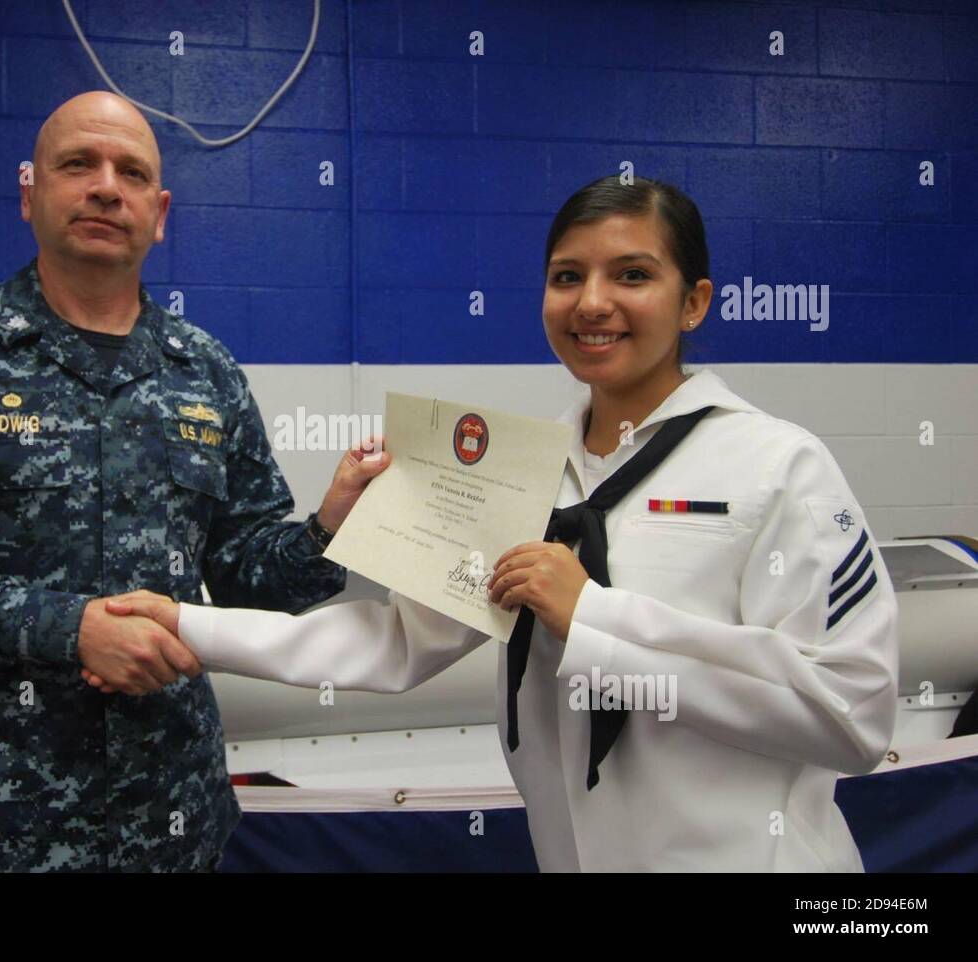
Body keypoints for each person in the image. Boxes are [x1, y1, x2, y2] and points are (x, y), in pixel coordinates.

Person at [88, 176, 900, 872]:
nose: (592, 303)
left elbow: (853, 716)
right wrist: (190, 625)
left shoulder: (777, 466)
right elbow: (392, 642)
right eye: (566, 276)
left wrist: (598, 617)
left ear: (693, 303)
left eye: (632, 274)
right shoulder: (523, 473)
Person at [0, 91, 387, 872]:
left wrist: (330, 525)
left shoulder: (207, 372)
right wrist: (70, 628)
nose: (104, 186)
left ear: (159, 214)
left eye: (130, 172)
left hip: (169, 827)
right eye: (77, 164)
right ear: (30, 194)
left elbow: (246, 580)